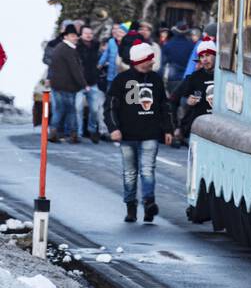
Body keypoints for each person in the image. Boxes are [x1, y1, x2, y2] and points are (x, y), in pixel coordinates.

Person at [104, 43, 173, 223]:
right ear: (140, 61)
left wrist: (168, 129)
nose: (152, 62)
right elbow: (110, 106)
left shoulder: (156, 79)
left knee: (147, 170)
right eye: (149, 59)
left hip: (150, 133)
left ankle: (149, 203)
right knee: (130, 173)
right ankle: (131, 207)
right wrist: (114, 128)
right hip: (127, 135)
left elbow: (164, 106)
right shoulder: (121, 80)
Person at [169, 37, 216, 143]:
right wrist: (177, 125)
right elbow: (174, 99)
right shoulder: (193, 78)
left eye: (208, 55)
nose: (204, 60)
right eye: (201, 57)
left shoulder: (222, 77)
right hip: (197, 126)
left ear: (215, 56)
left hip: (217, 125)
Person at [47, 23, 88, 143]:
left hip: (57, 85)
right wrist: (83, 84)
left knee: (59, 109)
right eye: (72, 36)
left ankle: (54, 132)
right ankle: (73, 134)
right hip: (67, 86)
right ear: (65, 37)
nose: (75, 38)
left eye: (76, 36)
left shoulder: (59, 48)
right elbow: (75, 69)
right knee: (70, 110)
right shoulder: (68, 50)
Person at [77, 26, 103, 144]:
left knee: (94, 109)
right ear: (81, 34)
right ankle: (78, 133)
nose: (88, 35)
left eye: (90, 33)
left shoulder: (96, 46)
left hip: (93, 82)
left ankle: (92, 130)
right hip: (79, 83)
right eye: (86, 33)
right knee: (78, 108)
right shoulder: (76, 46)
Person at [160, 24, 193, 94]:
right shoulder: (191, 46)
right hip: (186, 78)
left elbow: (163, 63)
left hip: (172, 78)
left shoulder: (168, 45)